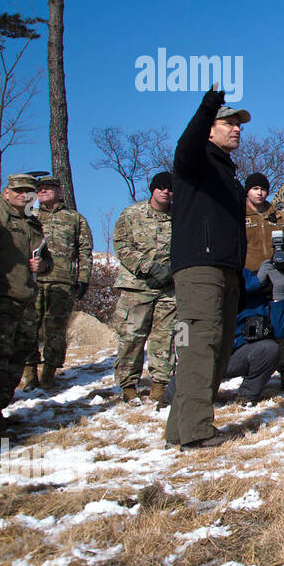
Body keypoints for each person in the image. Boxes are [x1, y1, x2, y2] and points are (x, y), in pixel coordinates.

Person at [167, 87, 249, 449]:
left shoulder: (228, 173)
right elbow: (185, 145)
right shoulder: (195, 159)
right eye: (228, 122)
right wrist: (208, 106)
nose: (237, 129)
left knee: (212, 350)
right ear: (210, 129)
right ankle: (197, 431)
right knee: (200, 346)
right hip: (199, 270)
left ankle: (179, 430)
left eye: (239, 125)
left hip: (224, 271)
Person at [162, 258, 284, 408]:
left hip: (236, 357)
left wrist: (279, 294)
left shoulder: (269, 293)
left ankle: (247, 397)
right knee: (177, 395)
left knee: (269, 350)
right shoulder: (231, 276)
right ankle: (168, 401)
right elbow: (223, 298)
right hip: (206, 354)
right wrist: (255, 283)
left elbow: (281, 332)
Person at [0, 173, 45, 441]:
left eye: (29, 191)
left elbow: (45, 259)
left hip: (25, 303)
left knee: (15, 364)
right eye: (18, 190)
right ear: (6, 192)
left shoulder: (33, 224)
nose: (24, 195)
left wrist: (43, 266)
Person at [20, 177, 92, 391]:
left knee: (56, 330)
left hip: (62, 281)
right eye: (39, 189)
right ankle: (29, 374)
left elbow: (85, 251)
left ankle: (49, 373)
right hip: (31, 281)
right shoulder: (30, 216)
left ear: (59, 192)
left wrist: (83, 279)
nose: (42, 192)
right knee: (28, 327)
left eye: (47, 189)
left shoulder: (75, 219)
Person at [112, 172, 176, 403]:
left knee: (166, 337)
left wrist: (171, 272)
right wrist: (147, 267)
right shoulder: (131, 214)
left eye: (169, 188)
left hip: (168, 288)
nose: (165, 192)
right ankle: (128, 386)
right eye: (160, 187)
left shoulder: (179, 217)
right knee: (132, 337)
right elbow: (121, 246)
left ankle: (159, 385)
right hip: (137, 287)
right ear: (152, 189)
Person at [243, 172, 284, 388]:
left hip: (275, 280)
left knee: (282, 325)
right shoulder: (238, 216)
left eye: (263, 188)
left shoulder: (280, 217)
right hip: (250, 280)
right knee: (250, 325)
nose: (259, 192)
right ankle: (253, 373)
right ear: (247, 191)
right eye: (255, 188)